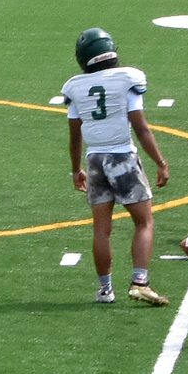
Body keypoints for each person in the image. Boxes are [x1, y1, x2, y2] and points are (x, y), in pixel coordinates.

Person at [63, 27, 171, 307]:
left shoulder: (75, 86)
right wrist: (160, 162)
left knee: (101, 229)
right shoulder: (127, 79)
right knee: (144, 222)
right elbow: (141, 127)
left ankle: (105, 290)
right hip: (122, 157)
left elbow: (74, 137)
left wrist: (75, 170)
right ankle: (140, 283)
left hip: (94, 160)